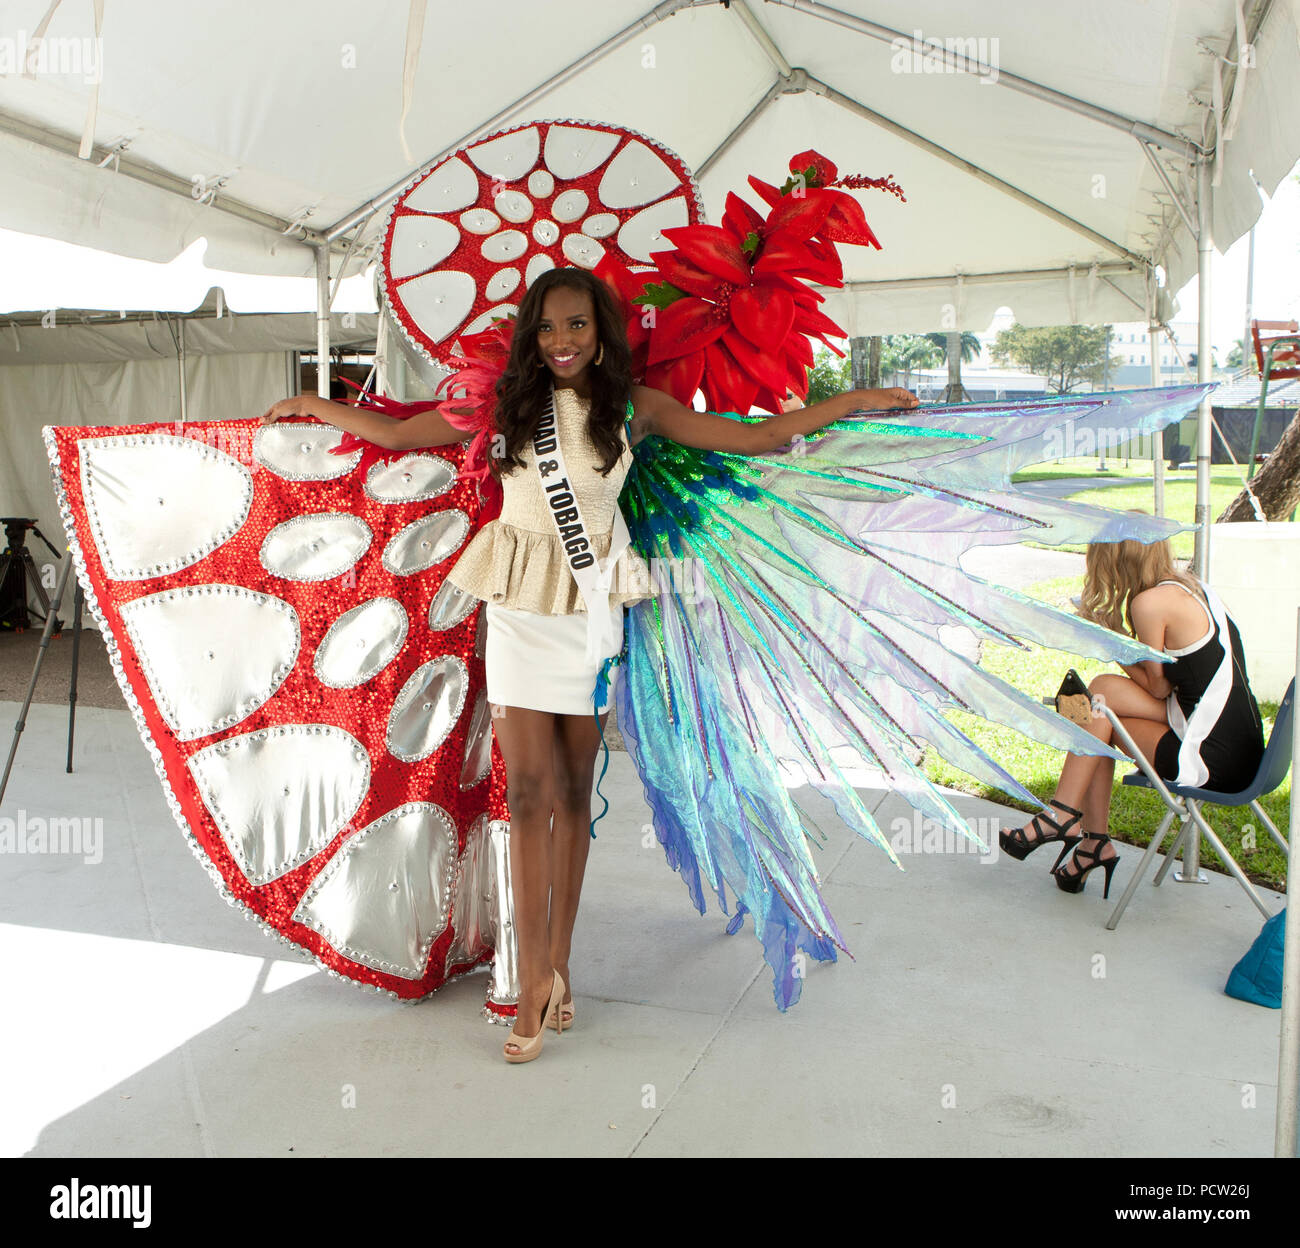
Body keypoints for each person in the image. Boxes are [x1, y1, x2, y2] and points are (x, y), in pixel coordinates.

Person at [262, 265, 918, 1062]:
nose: (563, 341)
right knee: (529, 789)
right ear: (529, 338)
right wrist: (316, 403)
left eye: (576, 326)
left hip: (588, 613)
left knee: (573, 792)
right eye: (547, 328)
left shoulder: (636, 410)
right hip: (516, 607)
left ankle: (558, 965)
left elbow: (753, 437)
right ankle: (532, 975)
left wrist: (852, 402)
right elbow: (401, 437)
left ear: (602, 330)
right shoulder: (501, 406)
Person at [998, 534, 1265, 897]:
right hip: (1235, 744)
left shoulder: (1148, 603)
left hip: (1211, 757)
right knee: (1097, 699)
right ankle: (1087, 839)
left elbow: (1156, 688)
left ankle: (1066, 821)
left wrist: (1111, 639)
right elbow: (1171, 686)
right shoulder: (1189, 586)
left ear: (1114, 563)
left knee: (1095, 713)